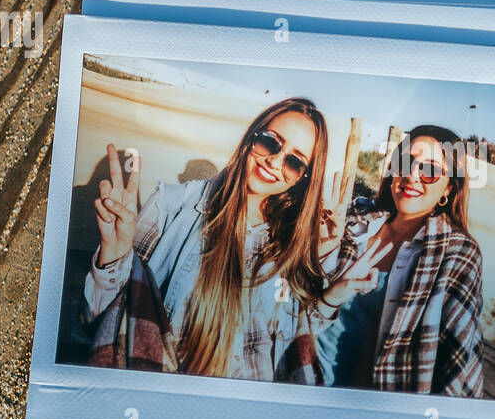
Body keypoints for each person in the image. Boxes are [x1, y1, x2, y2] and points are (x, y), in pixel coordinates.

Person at [83, 97, 336, 381]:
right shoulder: (171, 205)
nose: (275, 161)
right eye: (270, 142)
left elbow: (293, 337)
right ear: (253, 135)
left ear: (302, 178)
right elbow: (102, 320)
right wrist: (114, 253)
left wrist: (333, 285)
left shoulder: (291, 243)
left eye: (294, 162)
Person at [313, 125, 485, 397]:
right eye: (405, 162)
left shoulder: (456, 252)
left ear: (449, 187)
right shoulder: (353, 219)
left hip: (380, 412)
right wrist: (323, 248)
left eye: (430, 171)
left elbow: (461, 366)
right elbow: (299, 304)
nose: (412, 177)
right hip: (307, 382)